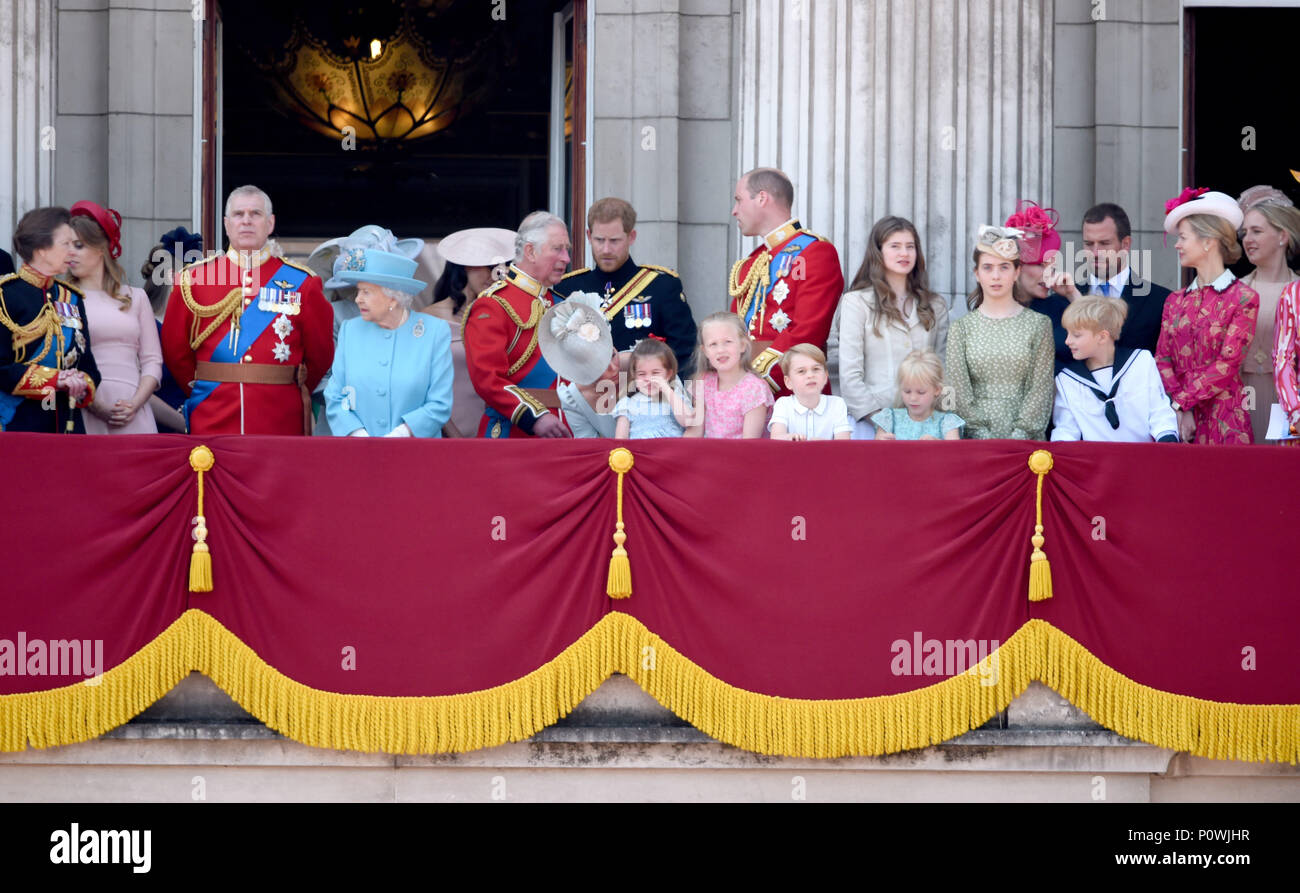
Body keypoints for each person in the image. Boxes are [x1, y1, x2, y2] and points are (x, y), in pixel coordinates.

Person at [161, 185, 334, 434]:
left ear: (270, 223)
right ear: (226, 224)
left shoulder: (302, 282)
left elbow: (320, 355)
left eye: (255, 214)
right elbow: (175, 352)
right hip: (212, 412)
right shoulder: (194, 279)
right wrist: (208, 387)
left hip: (279, 416)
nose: (246, 221)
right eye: (238, 214)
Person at [828, 215, 948, 439]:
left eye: (910, 246)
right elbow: (850, 375)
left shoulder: (935, 305)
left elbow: (942, 369)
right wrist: (883, 422)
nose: (904, 253)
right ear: (878, 251)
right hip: (872, 423)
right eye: (895, 246)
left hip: (925, 426)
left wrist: (942, 420)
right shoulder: (856, 302)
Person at [728, 167, 844, 396]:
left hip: (794, 395)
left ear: (762, 198)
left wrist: (753, 380)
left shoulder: (815, 252)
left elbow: (807, 335)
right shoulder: (752, 263)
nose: (734, 211)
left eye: (739, 200)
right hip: (744, 393)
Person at [323, 235, 453, 437]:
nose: (358, 299)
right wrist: (357, 433)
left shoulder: (434, 332)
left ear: (393, 297)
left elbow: (440, 403)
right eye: (358, 291)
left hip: (415, 449)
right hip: (358, 449)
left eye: (366, 292)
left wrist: (401, 434)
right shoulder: (350, 330)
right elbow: (334, 395)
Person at [1157, 189, 1259, 444]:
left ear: (1208, 241)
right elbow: (1163, 359)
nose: (1177, 245)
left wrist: (1181, 403)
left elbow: (1227, 364)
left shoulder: (1243, 298)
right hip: (1179, 421)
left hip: (1225, 420)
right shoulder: (1174, 300)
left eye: (1183, 238)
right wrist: (1181, 408)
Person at [555, 198, 698, 375]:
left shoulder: (662, 287)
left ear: (631, 237)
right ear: (589, 236)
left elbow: (684, 355)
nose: (606, 249)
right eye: (599, 240)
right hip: (583, 390)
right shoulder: (567, 288)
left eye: (614, 241)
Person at [463, 210, 571, 438]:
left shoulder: (562, 304)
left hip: (565, 433)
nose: (566, 258)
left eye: (567, 249)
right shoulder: (493, 304)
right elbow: (488, 380)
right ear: (531, 252)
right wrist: (534, 416)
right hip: (513, 433)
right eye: (557, 249)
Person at [944, 225, 1055, 440]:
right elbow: (957, 392)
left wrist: (1019, 437)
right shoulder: (961, 328)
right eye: (988, 268)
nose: (996, 276)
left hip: (1025, 443)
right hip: (975, 443)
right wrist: (982, 438)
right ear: (977, 274)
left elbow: (1040, 389)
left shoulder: (1039, 324)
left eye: (1004, 267)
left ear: (1016, 272)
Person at [0, 206, 100, 433]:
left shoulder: (71, 298)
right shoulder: (6, 296)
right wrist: (54, 379)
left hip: (67, 423)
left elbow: (89, 367)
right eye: (66, 244)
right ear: (42, 249)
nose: (72, 252)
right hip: (20, 423)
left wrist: (79, 381)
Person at [66, 200, 162, 435]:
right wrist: (96, 405)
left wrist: (135, 404)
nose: (70, 253)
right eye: (66, 246)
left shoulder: (136, 297)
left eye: (78, 245)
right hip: (85, 409)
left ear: (101, 248)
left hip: (134, 409)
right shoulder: (63, 299)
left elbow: (152, 360)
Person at [422, 227, 513, 436]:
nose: (494, 274)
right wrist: (455, 438)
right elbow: (422, 388)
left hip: (498, 431)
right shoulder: (428, 319)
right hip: (446, 435)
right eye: (487, 265)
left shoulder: (504, 318)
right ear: (463, 266)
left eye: (500, 267)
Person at [1051, 296, 1178, 443]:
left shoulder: (1141, 362)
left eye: (1076, 335)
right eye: (1067, 333)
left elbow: (1159, 412)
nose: (1067, 341)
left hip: (1143, 454)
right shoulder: (1066, 380)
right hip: (1096, 457)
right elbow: (1066, 430)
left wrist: (1167, 439)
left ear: (1102, 337)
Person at [1236, 187, 1300, 443]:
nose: (1247, 239)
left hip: (1290, 402)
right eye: (1245, 232)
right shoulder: (1233, 291)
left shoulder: (1297, 293)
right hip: (1241, 399)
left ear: (1283, 236)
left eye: (1257, 231)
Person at [1068, 202, 1171, 356]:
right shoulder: (1063, 299)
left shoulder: (1161, 302)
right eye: (1089, 244)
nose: (1095, 253)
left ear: (1125, 244)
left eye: (1104, 243)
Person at [139, 227, 202, 432]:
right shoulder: (142, 324)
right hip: (156, 432)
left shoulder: (200, 327)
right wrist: (185, 425)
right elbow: (134, 389)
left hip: (199, 432)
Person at [538, 293, 619, 438]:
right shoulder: (573, 397)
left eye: (612, 355)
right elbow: (588, 444)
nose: (613, 368)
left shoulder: (642, 370)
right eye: (599, 366)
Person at [1003, 201, 1072, 372]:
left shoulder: (1061, 308)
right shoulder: (992, 310)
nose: (1049, 271)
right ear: (1016, 267)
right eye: (1040, 265)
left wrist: (1073, 295)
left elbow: (1101, 345)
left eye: (1051, 264)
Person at [684, 311, 772, 439]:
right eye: (713, 344)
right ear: (705, 351)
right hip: (708, 450)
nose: (720, 350)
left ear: (742, 345)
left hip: (741, 451)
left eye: (728, 342)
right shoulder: (703, 381)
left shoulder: (755, 388)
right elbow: (695, 432)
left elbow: (750, 443)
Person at [872, 349, 964, 441]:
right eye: (907, 391)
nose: (913, 398)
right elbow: (876, 447)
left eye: (921, 392)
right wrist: (881, 441)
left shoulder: (947, 422)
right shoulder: (889, 418)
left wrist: (937, 444)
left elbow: (953, 448)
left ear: (937, 390)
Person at [769, 343, 852, 441]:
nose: (810, 375)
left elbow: (843, 443)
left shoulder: (837, 404)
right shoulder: (783, 404)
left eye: (816, 369)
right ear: (788, 382)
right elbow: (776, 438)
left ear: (825, 376)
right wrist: (790, 438)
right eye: (801, 371)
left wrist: (824, 445)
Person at [613, 338, 692, 439]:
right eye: (642, 374)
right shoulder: (627, 403)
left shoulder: (674, 398)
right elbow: (620, 439)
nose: (648, 379)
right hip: (642, 448)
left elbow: (688, 422)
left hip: (672, 447)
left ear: (668, 374)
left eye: (655, 373)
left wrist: (667, 390)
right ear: (634, 376)